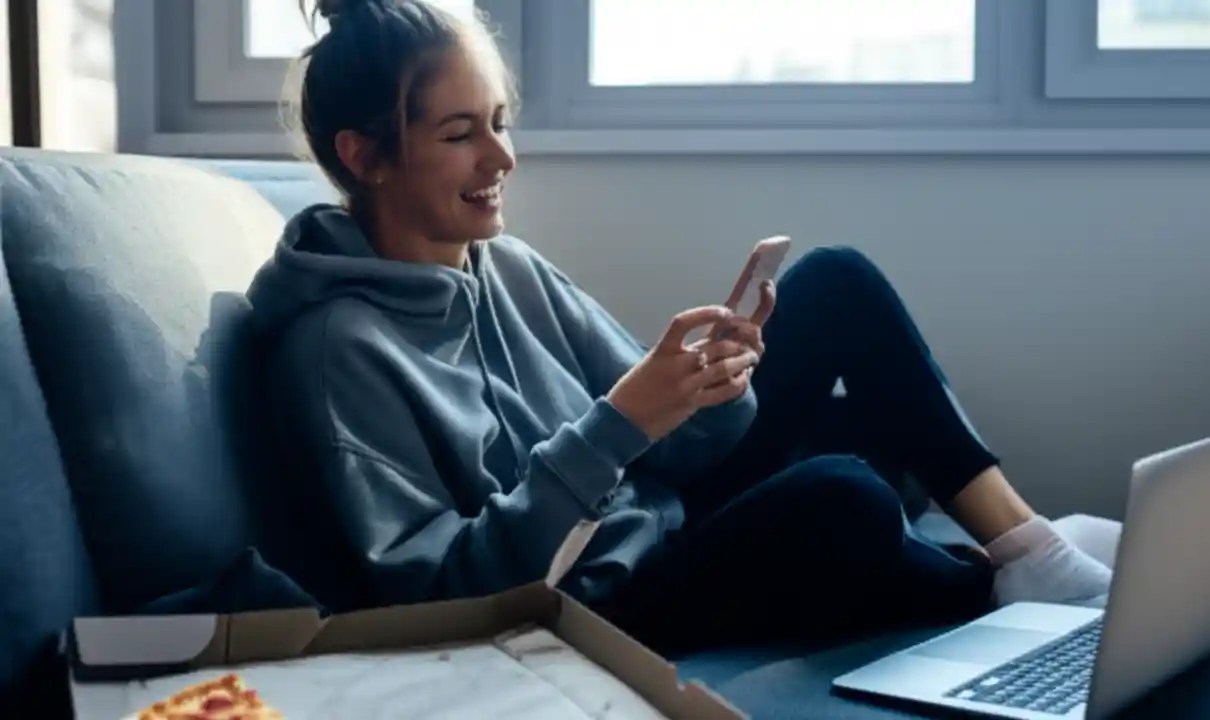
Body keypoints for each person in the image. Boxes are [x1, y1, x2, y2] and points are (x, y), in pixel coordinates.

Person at [247, 0, 1112, 654]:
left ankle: (1022, 542)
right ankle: (998, 595)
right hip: (588, 604)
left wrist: (714, 384)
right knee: (845, 493)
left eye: (502, 124)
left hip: (655, 513)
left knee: (838, 287)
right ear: (365, 157)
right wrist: (622, 423)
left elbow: (683, 451)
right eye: (461, 133)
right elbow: (443, 596)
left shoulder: (504, 266)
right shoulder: (335, 352)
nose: (502, 159)